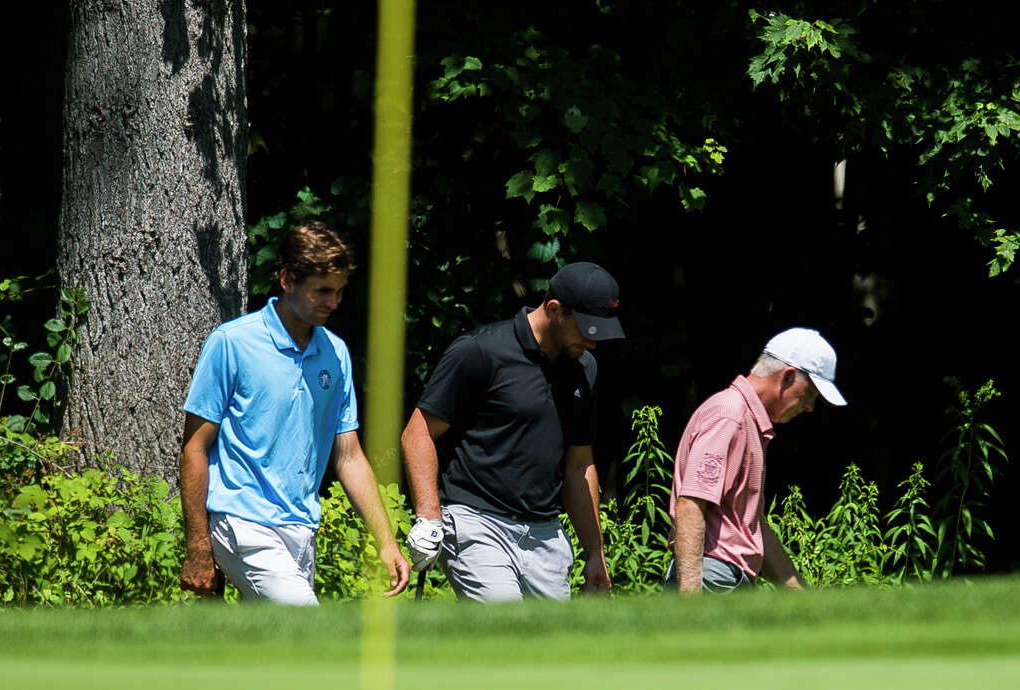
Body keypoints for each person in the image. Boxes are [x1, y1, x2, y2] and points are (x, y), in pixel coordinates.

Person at [178, 222, 410, 605]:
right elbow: (194, 449)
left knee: (279, 655)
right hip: (242, 521)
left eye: (339, 291)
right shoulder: (232, 343)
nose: (334, 303)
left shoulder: (335, 353)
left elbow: (349, 455)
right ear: (287, 279)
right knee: (311, 633)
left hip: (302, 528)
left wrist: (386, 542)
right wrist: (199, 549)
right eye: (322, 290)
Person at [400, 261, 624, 602]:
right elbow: (418, 433)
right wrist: (429, 517)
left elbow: (579, 464)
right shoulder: (480, 350)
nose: (592, 344)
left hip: (546, 536)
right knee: (503, 632)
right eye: (586, 331)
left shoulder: (584, 369)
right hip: (477, 522)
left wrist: (595, 552)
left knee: (548, 652)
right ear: (554, 309)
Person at [667, 327, 847, 594]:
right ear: (787, 377)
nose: (810, 407)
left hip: (723, 578)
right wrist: (691, 605)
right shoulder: (730, 416)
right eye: (809, 394)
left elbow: (752, 526)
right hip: (712, 580)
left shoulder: (749, 421)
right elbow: (691, 506)